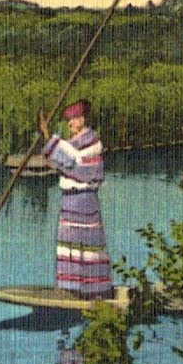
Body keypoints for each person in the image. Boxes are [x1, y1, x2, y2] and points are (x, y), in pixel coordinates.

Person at [39, 99, 114, 299]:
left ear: (81, 120)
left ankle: (94, 290)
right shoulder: (73, 143)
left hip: (85, 201)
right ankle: (71, 288)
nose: (70, 124)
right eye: (68, 121)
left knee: (87, 243)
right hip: (70, 201)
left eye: (73, 120)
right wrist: (49, 139)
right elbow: (64, 157)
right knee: (69, 242)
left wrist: (48, 136)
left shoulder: (91, 142)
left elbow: (73, 163)